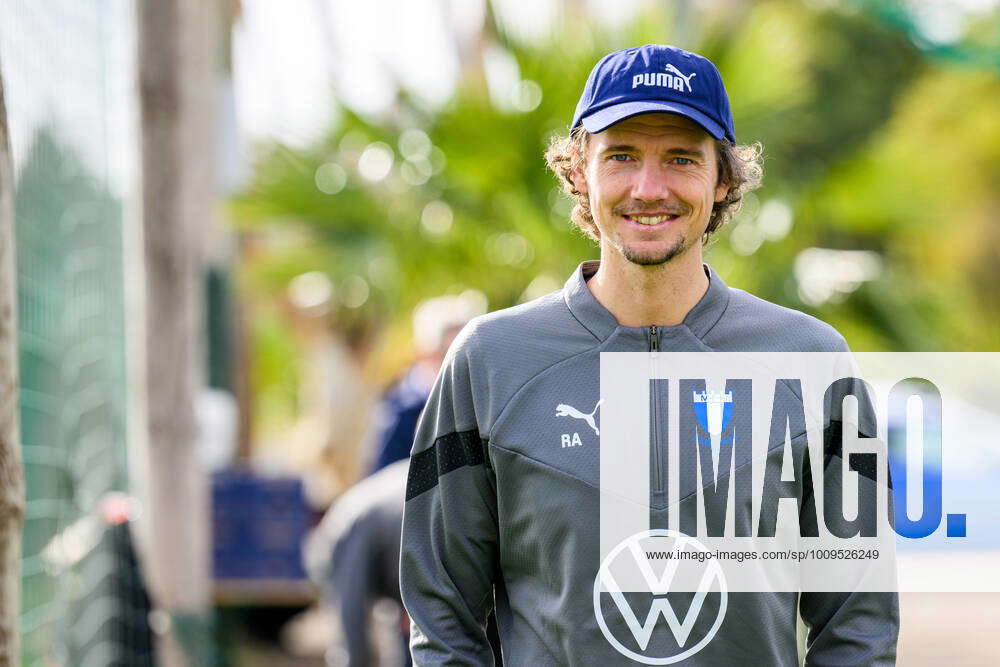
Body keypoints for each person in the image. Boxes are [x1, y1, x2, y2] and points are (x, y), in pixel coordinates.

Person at [400, 44, 898, 665]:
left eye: (681, 158)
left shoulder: (812, 359)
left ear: (722, 179)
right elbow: (442, 613)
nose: (648, 187)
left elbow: (858, 622)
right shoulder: (491, 360)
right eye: (622, 156)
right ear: (581, 172)